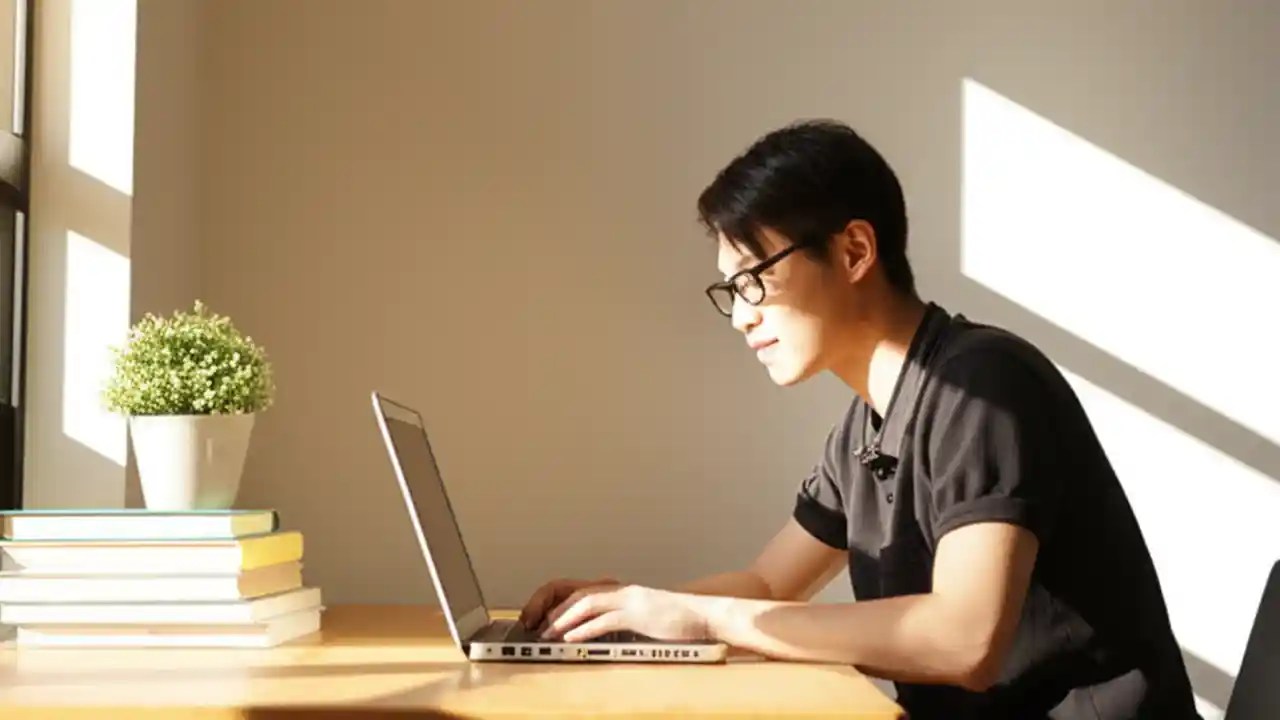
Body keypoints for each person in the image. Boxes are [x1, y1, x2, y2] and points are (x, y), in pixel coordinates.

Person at [518, 119, 1202, 719]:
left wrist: (706, 618)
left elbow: (964, 641)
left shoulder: (984, 387)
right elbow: (766, 585)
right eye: (729, 290)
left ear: (853, 252)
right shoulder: (867, 425)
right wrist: (631, 609)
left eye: (755, 277)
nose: (741, 313)